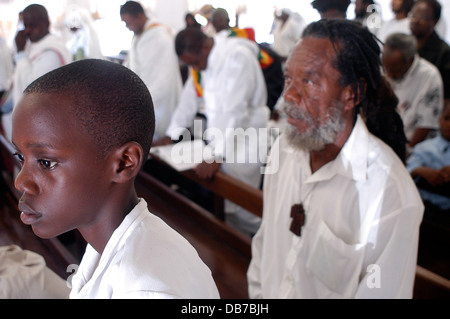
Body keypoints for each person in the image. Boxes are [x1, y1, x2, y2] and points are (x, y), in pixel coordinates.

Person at [11, 59, 220, 299]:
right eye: (20, 157)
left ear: (123, 163)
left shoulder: (146, 290)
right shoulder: (109, 244)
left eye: (46, 162)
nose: (21, 181)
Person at [247, 19, 424, 299]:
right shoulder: (284, 150)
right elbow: (265, 249)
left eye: (309, 81)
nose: (288, 97)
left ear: (351, 93)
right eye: (289, 79)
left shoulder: (389, 194)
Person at [159, 27, 270, 236]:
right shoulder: (202, 60)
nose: (194, 68)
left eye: (195, 62)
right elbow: (189, 99)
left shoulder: (237, 56)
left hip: (246, 139)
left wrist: (218, 154)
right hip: (221, 140)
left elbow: (234, 110)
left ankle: (257, 248)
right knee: (223, 205)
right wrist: (171, 134)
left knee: (243, 205)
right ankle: (233, 248)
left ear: (204, 47)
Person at [1, 4, 72, 142]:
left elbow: (32, 87)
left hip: (44, 125)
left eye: (32, 25)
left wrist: (21, 53)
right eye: (25, 25)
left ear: (47, 23)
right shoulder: (35, 46)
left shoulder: (51, 52)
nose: (27, 31)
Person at [120, 1, 182, 140]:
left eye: (128, 23)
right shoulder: (140, 35)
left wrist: (141, 103)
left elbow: (160, 78)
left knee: (155, 140)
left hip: (158, 99)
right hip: (141, 95)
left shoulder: (158, 37)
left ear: (139, 15)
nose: (127, 27)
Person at [210, 7, 284, 112]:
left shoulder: (236, 35)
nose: (217, 24)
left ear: (227, 21)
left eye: (219, 20)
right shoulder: (217, 40)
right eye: (214, 21)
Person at [383, 33, 443, 148]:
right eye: (387, 69)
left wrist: (406, 152)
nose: (389, 75)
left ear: (409, 60)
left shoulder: (430, 76)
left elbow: (426, 123)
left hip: (415, 146)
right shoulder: (384, 65)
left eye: (395, 70)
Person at [406, 99, 450, 213]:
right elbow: (408, 171)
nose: (449, 124)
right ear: (439, 120)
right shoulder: (424, 148)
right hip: (423, 207)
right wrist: (420, 171)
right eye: (447, 118)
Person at [409, 0, 450, 99]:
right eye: (413, 15)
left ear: (435, 21)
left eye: (422, 17)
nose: (416, 21)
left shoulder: (444, 52)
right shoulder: (405, 46)